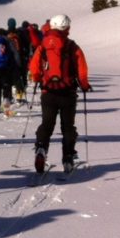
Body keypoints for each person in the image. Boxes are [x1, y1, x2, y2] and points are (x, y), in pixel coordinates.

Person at [28, 13, 91, 174]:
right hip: (68, 93)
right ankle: (68, 157)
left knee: (47, 124)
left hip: (48, 92)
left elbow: (34, 67)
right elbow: (82, 70)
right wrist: (84, 85)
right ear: (67, 28)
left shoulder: (43, 46)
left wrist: (38, 79)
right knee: (68, 127)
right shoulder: (72, 46)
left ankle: (41, 149)